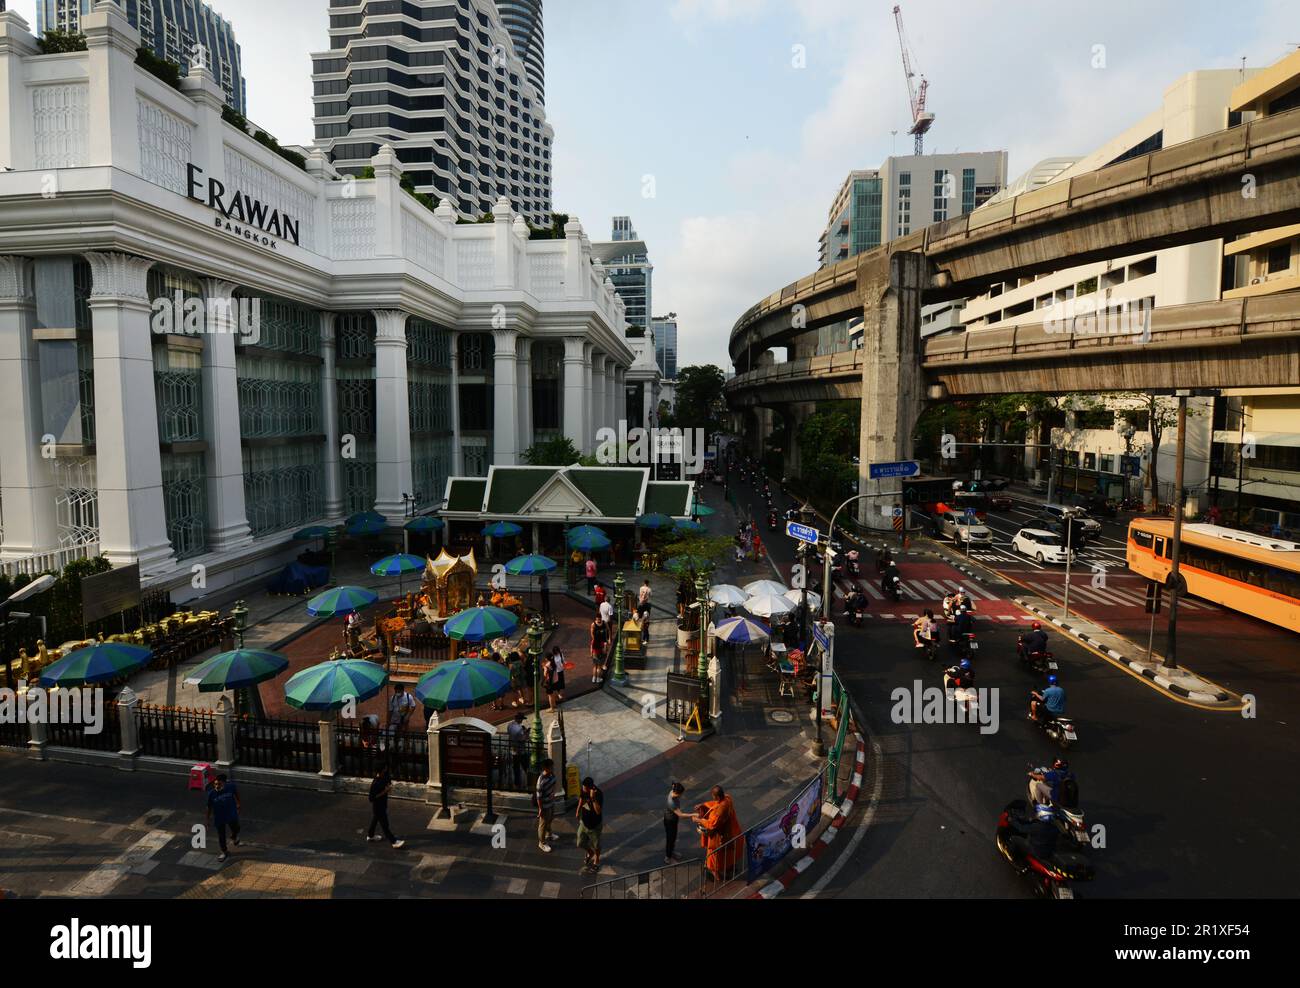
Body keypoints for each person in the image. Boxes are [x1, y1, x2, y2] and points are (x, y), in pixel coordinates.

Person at [690, 785, 743, 883]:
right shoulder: (727, 798)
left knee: (714, 855)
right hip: (731, 831)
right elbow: (715, 804)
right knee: (729, 853)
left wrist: (698, 820)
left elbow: (711, 824)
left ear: (718, 797)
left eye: (713, 796)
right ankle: (729, 866)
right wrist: (704, 805)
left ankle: (716, 874)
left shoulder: (719, 811)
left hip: (721, 837)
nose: (712, 798)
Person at [366, 763, 406, 848]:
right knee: (385, 825)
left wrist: (388, 787)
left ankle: (370, 835)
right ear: (382, 770)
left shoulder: (384, 777)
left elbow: (388, 785)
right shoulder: (376, 783)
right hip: (378, 806)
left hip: (383, 804)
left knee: (375, 819)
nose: (386, 769)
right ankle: (394, 841)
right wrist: (385, 791)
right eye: (385, 768)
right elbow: (371, 798)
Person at [205, 773, 241, 862]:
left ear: (224, 783)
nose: (217, 786)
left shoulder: (231, 787)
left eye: (219, 784)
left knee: (236, 828)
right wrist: (207, 819)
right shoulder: (211, 794)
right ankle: (224, 851)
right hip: (219, 817)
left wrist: (238, 803)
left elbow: (236, 794)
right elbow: (208, 807)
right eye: (215, 784)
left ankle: (234, 836)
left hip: (231, 813)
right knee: (221, 835)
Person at [576, 777, 604, 874]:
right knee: (579, 842)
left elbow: (598, 811)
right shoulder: (583, 790)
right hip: (584, 823)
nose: (583, 789)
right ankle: (589, 852)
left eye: (584, 787)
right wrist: (578, 810)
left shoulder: (598, 794)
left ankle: (597, 860)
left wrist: (593, 798)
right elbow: (581, 798)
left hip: (594, 826)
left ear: (589, 788)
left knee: (596, 845)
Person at [535, 758, 558, 853]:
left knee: (550, 818)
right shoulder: (541, 781)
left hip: (551, 802)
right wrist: (540, 808)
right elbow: (538, 797)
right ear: (546, 768)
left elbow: (554, 782)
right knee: (543, 824)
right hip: (545, 805)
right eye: (551, 767)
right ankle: (542, 842)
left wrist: (553, 792)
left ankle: (549, 834)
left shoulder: (551, 774)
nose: (553, 768)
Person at [664, 782, 687, 863]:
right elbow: (681, 815)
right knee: (670, 839)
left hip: (673, 818)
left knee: (673, 837)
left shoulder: (673, 789)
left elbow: (673, 784)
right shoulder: (671, 802)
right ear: (677, 793)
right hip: (670, 820)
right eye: (681, 794)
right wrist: (693, 814)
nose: (681, 796)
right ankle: (668, 858)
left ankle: (671, 852)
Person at [507, 712, 529, 788]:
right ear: (519, 719)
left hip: (513, 750)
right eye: (521, 719)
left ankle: (517, 784)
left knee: (516, 769)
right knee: (526, 767)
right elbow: (524, 739)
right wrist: (527, 733)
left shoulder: (509, 725)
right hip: (521, 751)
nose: (522, 721)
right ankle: (528, 784)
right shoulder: (520, 729)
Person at [545, 646, 566, 711]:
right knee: (553, 693)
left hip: (550, 681)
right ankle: (554, 705)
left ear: (546, 658)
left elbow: (545, 674)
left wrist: (544, 668)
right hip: (555, 679)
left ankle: (552, 708)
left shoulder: (547, 665)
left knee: (550, 695)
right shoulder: (553, 663)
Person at [590, 617, 609, 684]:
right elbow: (604, 650)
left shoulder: (593, 641)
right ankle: (598, 678)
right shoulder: (603, 642)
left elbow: (591, 648)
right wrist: (605, 651)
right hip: (600, 654)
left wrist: (591, 654)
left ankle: (593, 678)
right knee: (599, 667)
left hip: (594, 654)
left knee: (595, 666)